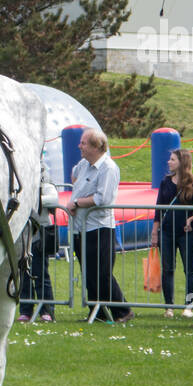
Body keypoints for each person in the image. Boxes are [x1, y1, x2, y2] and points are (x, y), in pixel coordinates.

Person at [67, 128, 134, 323]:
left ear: (97, 146)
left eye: (84, 143)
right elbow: (74, 176)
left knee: (102, 272)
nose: (80, 146)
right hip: (81, 227)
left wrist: (77, 202)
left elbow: (102, 198)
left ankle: (122, 310)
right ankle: (98, 312)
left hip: (100, 227)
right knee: (88, 272)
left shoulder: (108, 168)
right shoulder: (84, 164)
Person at [149, 148, 193, 318]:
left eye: (172, 159)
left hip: (188, 233)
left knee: (190, 269)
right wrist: (155, 232)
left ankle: (189, 307)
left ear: (182, 163)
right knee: (168, 268)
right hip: (167, 232)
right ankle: (169, 307)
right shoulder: (165, 182)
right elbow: (159, 209)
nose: (169, 162)